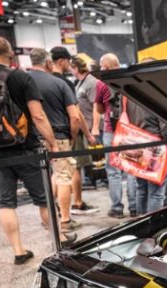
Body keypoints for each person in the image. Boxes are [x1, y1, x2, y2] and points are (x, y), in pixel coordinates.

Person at [0, 37, 74, 264]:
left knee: (6, 202)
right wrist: (52, 143)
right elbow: (37, 115)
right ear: (11, 54)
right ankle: (59, 241)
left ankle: (18, 251)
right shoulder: (20, 77)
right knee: (43, 199)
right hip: (26, 148)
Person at [28, 48, 84, 235]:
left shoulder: (23, 81)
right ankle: (66, 219)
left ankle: (49, 216)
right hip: (59, 137)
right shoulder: (58, 82)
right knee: (63, 178)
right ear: (48, 63)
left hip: (33, 139)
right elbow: (75, 116)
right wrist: (73, 137)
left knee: (48, 176)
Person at [123, 57, 167, 214]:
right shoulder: (156, 93)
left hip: (136, 146)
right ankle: (152, 228)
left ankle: (141, 223)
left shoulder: (130, 93)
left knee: (142, 189)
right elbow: (165, 127)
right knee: (156, 193)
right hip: (156, 148)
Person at [93, 53, 136, 218]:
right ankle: (134, 207)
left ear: (105, 67)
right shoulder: (129, 80)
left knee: (113, 171)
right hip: (129, 131)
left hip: (111, 131)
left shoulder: (102, 83)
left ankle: (117, 208)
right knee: (131, 169)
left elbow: (99, 110)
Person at [69, 56, 99, 214]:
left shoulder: (91, 82)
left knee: (78, 167)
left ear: (75, 67)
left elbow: (97, 107)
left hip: (90, 129)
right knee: (76, 167)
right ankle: (77, 202)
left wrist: (94, 129)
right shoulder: (80, 82)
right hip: (81, 129)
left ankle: (77, 202)